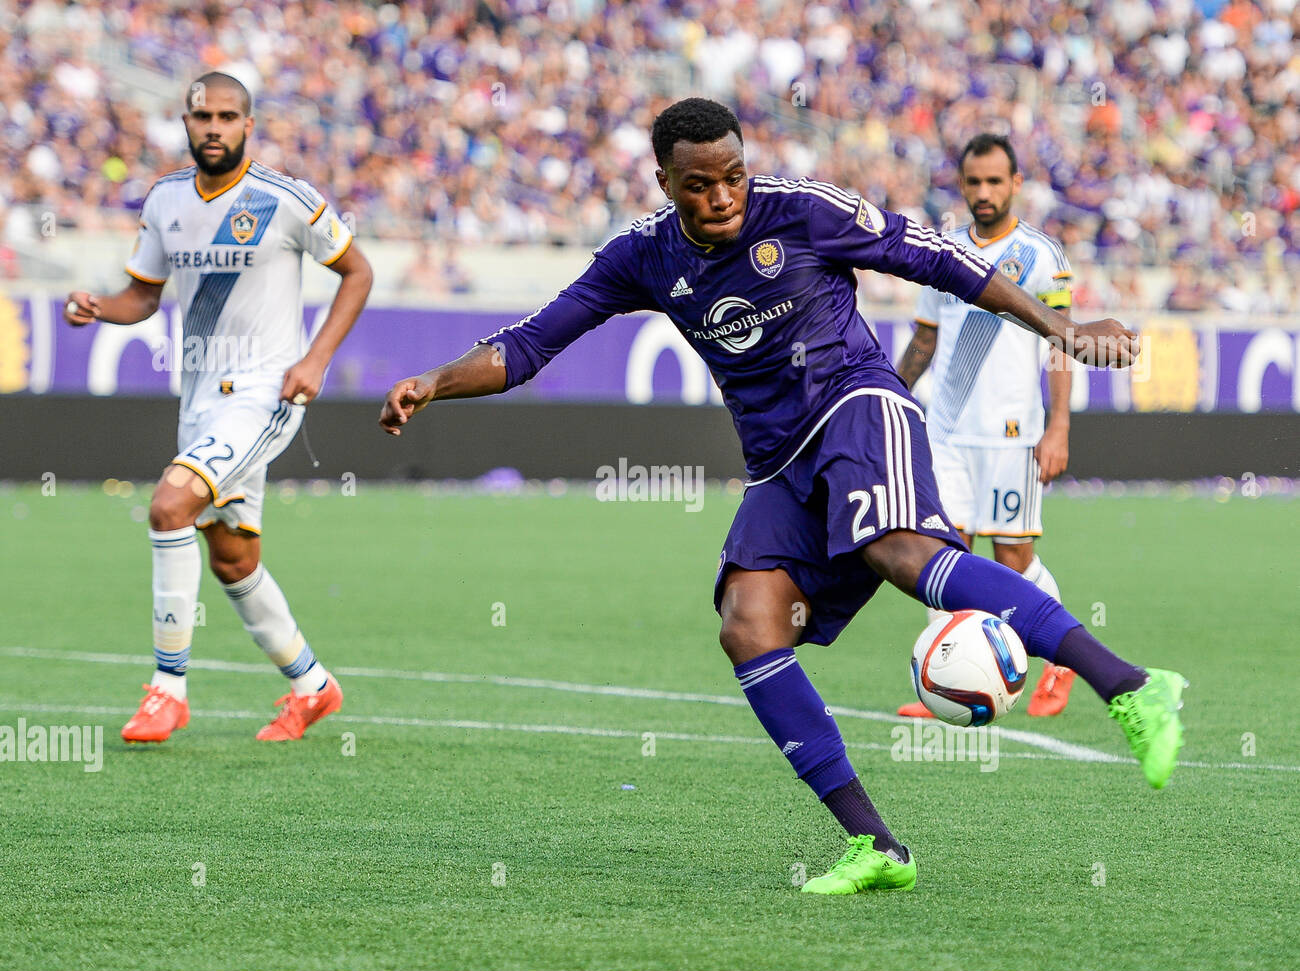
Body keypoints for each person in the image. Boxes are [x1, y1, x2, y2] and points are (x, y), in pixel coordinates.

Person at [378, 98, 1185, 894]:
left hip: (856, 403)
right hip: (777, 463)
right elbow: (530, 342)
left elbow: (939, 257)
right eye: (699, 185)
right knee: (748, 624)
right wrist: (434, 381)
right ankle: (877, 845)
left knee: (902, 552)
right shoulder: (641, 258)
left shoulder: (803, 211)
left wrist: (1063, 330)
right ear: (664, 181)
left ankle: (1130, 684)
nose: (723, 196)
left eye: (733, 176)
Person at [64, 71, 373, 743]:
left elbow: (359, 271)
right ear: (186, 122)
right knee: (232, 557)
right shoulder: (167, 199)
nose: (214, 127)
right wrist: (98, 307)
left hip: (265, 394)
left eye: (228, 116)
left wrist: (315, 358)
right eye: (203, 116)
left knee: (168, 505)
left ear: (248, 126)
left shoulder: (285, 199)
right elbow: (141, 296)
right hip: (200, 399)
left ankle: (167, 690)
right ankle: (314, 685)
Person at [894, 133, 1077, 719]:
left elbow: (1061, 347)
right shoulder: (943, 251)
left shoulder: (1043, 255)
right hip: (945, 432)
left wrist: (1059, 429)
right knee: (943, 555)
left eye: (995, 181)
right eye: (973, 182)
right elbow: (925, 338)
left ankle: (1064, 656)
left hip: (1012, 435)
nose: (983, 192)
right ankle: (944, 678)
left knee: (1012, 560)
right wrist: (891, 402)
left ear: (1016, 184)